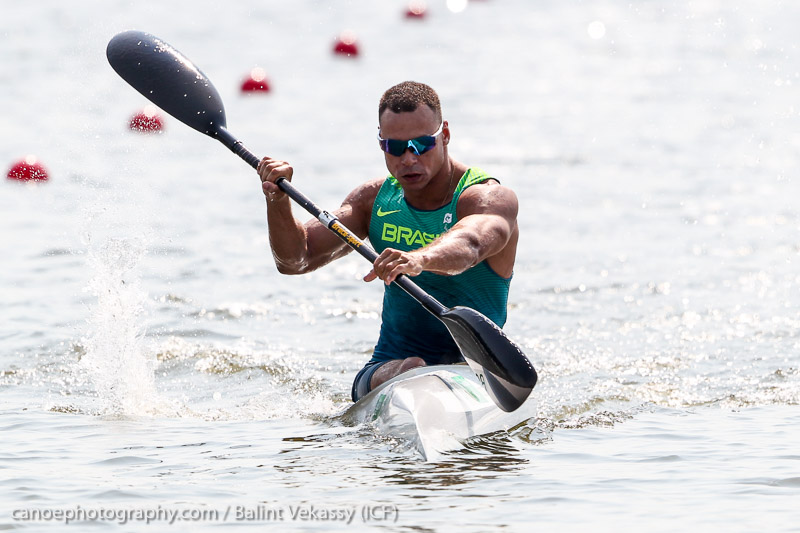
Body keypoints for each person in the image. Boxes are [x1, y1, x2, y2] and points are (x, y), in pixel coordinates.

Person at [257, 81, 519, 402]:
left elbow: (472, 244)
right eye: (394, 148)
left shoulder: (486, 198)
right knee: (399, 369)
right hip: (389, 367)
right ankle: (407, 373)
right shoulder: (373, 200)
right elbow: (296, 259)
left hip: (476, 366)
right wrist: (277, 199)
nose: (408, 159)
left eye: (422, 144)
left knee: (422, 369)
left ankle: (416, 374)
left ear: (445, 135)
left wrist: (419, 260)